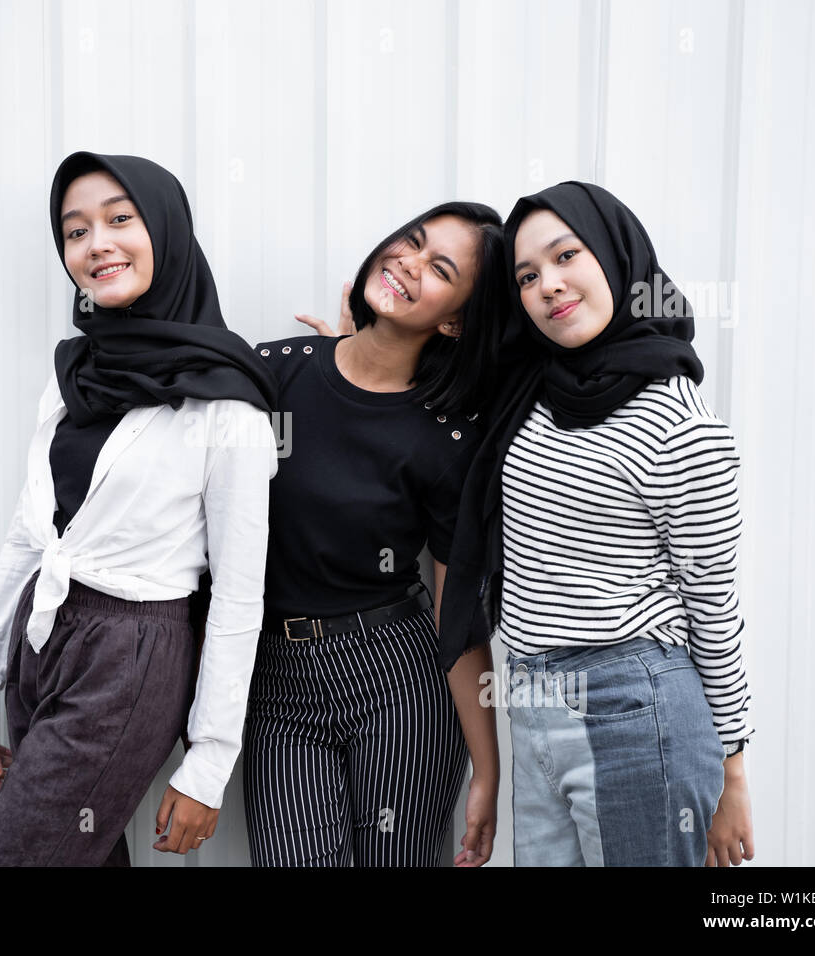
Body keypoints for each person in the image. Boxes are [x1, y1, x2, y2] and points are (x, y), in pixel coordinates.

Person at [0, 151, 279, 866]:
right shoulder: (73, 375)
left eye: (120, 219)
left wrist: (209, 764)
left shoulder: (227, 405)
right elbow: (29, 538)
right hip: (41, 641)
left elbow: (239, 598)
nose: (96, 243)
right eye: (75, 230)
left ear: (166, 229)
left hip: (131, 659)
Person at [439, 180, 755, 866]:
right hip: (530, 699)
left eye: (566, 256)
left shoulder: (680, 423)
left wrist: (732, 771)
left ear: (616, 257)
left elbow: (714, 603)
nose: (548, 285)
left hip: (634, 706)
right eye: (527, 276)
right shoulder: (534, 388)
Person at [245, 202, 507, 866]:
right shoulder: (274, 373)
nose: (409, 263)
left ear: (454, 319)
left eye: (440, 267)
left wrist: (488, 770)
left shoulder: (447, 437)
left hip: (397, 678)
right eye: (411, 242)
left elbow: (458, 614)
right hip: (276, 681)